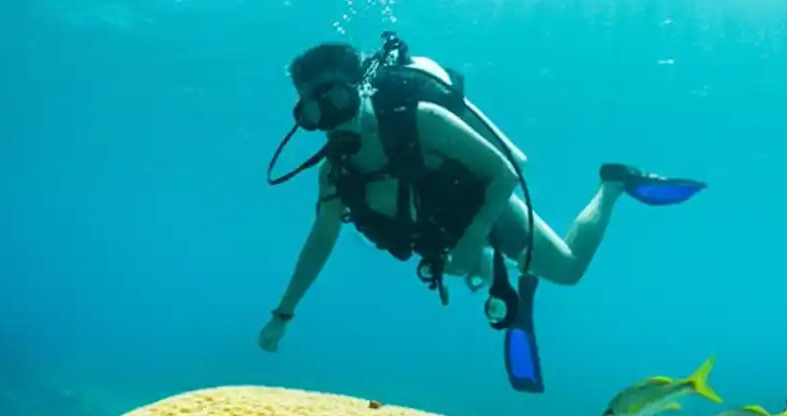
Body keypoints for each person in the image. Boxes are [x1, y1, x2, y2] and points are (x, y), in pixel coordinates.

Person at [260, 33, 706, 390]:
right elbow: (321, 238)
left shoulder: (421, 118)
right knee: (446, 258)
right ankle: (493, 271)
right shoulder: (336, 171)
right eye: (312, 111)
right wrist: (282, 314)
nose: (329, 118)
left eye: (334, 98)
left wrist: (474, 236)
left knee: (568, 271)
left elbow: (510, 168)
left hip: (482, 202)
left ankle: (613, 184)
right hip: (439, 227)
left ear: (359, 86)